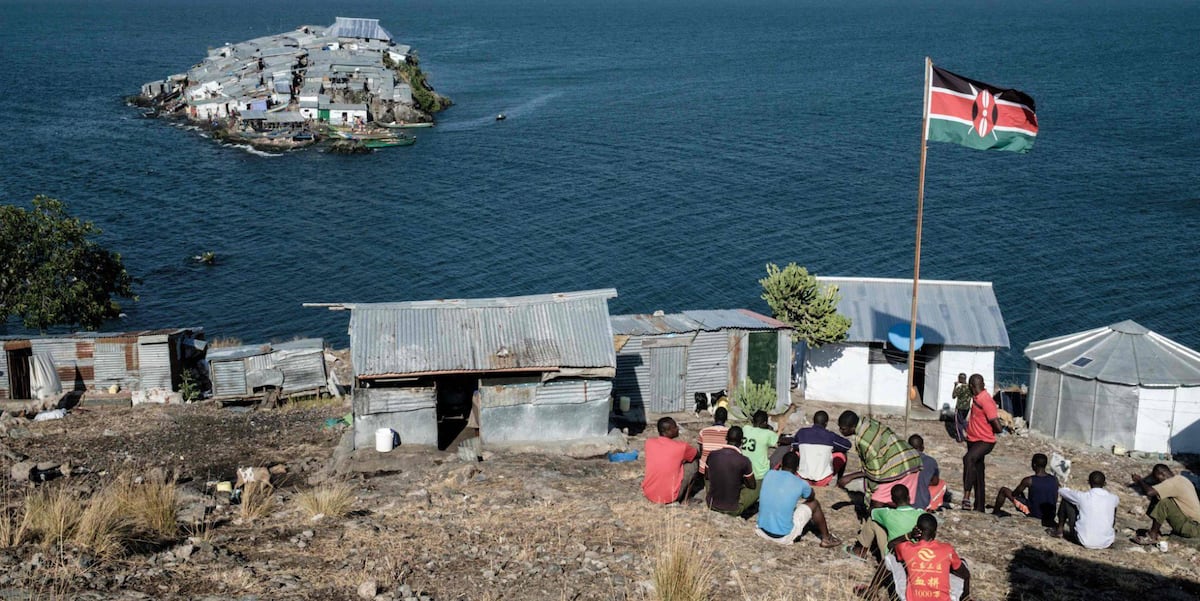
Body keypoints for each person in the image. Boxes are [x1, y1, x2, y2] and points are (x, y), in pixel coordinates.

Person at [859, 513, 972, 601]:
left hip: (911, 599)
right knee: (961, 563)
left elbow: (891, 545)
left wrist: (909, 535)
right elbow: (965, 574)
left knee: (890, 558)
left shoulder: (907, 548)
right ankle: (966, 599)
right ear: (935, 532)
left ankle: (872, 590)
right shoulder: (947, 549)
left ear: (917, 530)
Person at [836, 411, 923, 508]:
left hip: (898, 466)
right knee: (901, 502)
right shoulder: (867, 422)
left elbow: (875, 472)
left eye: (843, 429)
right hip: (911, 459)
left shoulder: (864, 440)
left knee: (877, 503)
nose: (840, 431)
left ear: (852, 427)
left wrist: (850, 477)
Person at [755, 451, 840, 548]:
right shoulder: (801, 483)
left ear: (781, 464)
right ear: (798, 467)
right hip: (782, 537)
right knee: (814, 504)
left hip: (761, 530)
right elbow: (811, 497)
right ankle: (826, 539)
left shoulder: (769, 474)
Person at [846, 485, 924, 561]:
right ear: (909, 497)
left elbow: (871, 511)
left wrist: (883, 505)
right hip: (916, 555)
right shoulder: (921, 513)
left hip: (893, 557)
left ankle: (860, 551)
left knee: (873, 521)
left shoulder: (887, 514)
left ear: (893, 500)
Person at [1130, 464, 1200, 544]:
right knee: (1159, 495)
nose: (1157, 482)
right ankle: (1155, 530)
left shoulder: (1171, 484)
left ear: (1161, 475)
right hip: (1195, 525)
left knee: (1164, 502)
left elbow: (1149, 492)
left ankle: (1152, 536)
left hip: (1192, 528)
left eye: (1156, 479)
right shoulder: (1181, 479)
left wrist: (1139, 480)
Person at [962, 374, 1002, 512]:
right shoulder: (977, 397)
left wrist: (986, 429)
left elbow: (998, 427)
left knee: (968, 459)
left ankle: (966, 497)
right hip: (973, 439)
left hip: (985, 441)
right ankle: (979, 507)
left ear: (971, 386)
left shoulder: (986, 400)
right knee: (978, 473)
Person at [1051, 470, 1118, 549]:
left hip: (1083, 540)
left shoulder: (1083, 497)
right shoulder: (1113, 498)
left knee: (1066, 500)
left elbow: (1062, 492)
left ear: (1089, 482)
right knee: (1112, 510)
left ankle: (1059, 530)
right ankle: (1105, 532)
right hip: (1106, 542)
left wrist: (1064, 487)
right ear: (1104, 484)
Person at [642, 417, 701, 504]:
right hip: (670, 496)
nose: (677, 429)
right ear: (668, 430)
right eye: (675, 427)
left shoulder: (649, 443)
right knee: (693, 463)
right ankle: (686, 499)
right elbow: (697, 454)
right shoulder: (681, 447)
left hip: (649, 493)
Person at [991, 453, 1059, 526]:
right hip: (1050, 515)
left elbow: (1015, 494)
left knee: (1004, 490)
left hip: (1033, 513)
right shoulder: (1054, 479)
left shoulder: (1029, 480)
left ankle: (996, 512)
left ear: (1034, 465)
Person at [706, 426, 758, 517]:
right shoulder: (744, 460)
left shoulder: (712, 455)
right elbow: (752, 485)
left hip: (711, 504)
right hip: (732, 509)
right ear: (742, 441)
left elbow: (707, 476)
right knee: (758, 487)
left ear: (726, 438)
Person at [792, 410, 853, 486]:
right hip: (822, 480)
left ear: (813, 421)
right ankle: (839, 483)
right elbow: (847, 445)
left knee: (795, 452)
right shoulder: (830, 436)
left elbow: (794, 446)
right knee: (843, 454)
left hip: (803, 477)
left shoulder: (802, 432)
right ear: (826, 423)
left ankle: (790, 477)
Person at [908, 434, 946, 511]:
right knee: (941, 483)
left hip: (902, 499)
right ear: (922, 447)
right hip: (921, 503)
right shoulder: (931, 461)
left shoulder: (901, 459)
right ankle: (932, 506)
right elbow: (935, 482)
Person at [741, 410, 780, 481]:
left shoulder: (745, 428)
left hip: (744, 472)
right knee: (784, 447)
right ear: (765, 423)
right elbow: (777, 443)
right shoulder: (767, 433)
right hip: (760, 474)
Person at [697, 406, 731, 474]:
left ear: (714, 417)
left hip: (704, 470)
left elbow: (701, 451)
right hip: (723, 470)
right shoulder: (730, 433)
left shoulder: (703, 432)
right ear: (726, 418)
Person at [951, 373, 971, 443]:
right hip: (967, 408)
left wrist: (955, 386)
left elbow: (953, 396)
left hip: (959, 407)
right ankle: (970, 434)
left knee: (958, 423)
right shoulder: (969, 387)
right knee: (964, 421)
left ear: (960, 379)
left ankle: (960, 437)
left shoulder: (960, 388)